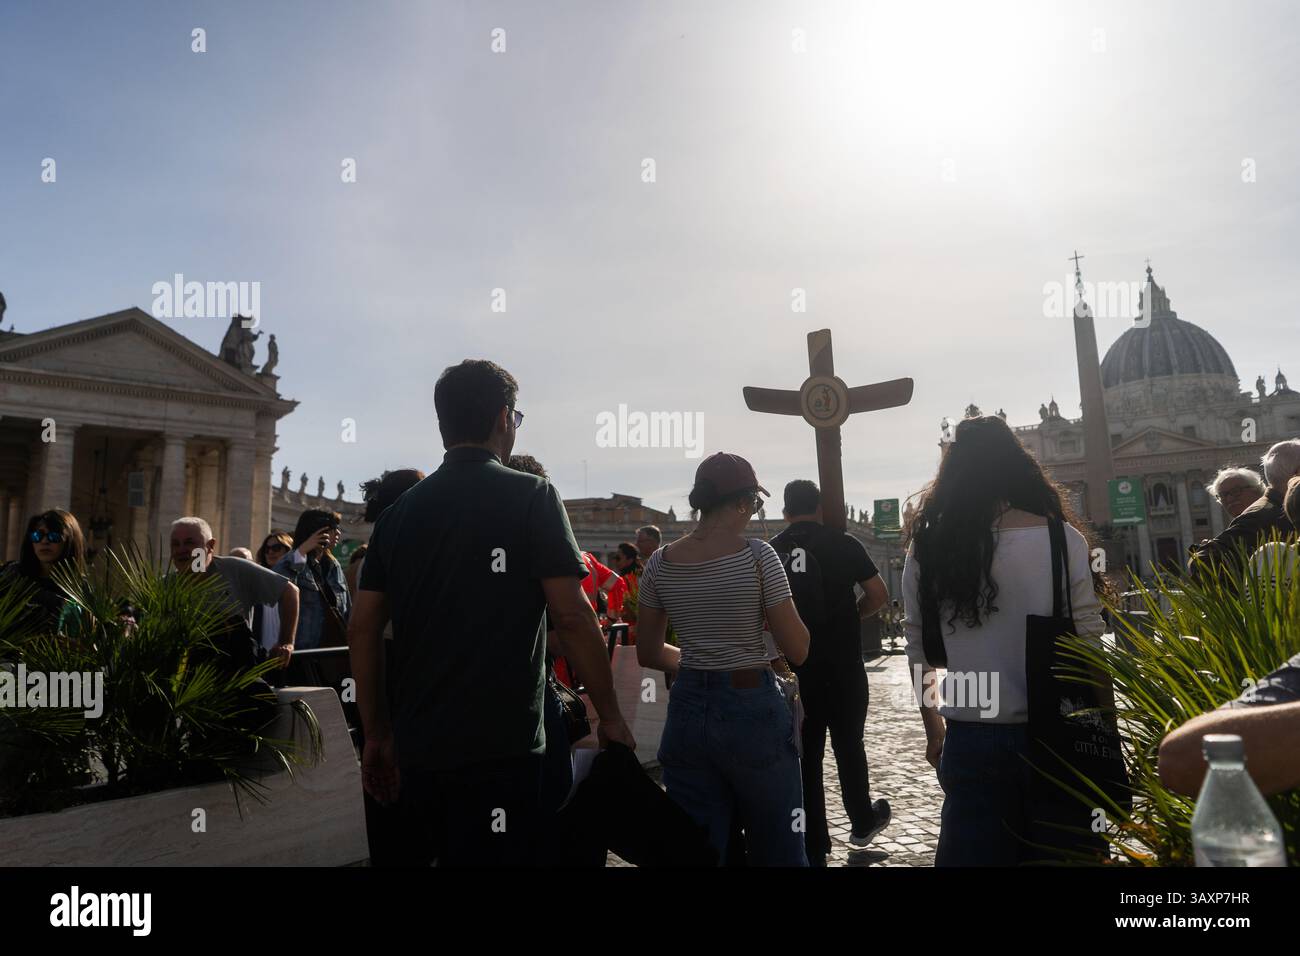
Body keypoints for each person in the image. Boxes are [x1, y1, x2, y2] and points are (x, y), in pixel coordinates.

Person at [348, 359, 634, 867]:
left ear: (443, 424)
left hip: (422, 746)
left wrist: (376, 733)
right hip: (508, 745)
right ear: (504, 418)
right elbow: (572, 617)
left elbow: (364, 627)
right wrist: (609, 715)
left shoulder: (397, 515)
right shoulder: (534, 494)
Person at [901, 416, 1108, 866]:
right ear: (1018, 463)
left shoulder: (930, 542)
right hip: (1053, 730)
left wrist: (932, 727)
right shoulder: (1061, 537)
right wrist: (1105, 723)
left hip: (973, 729)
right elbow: (1089, 641)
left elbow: (917, 645)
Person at [636, 451, 811, 866]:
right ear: (744, 501)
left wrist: (700, 662)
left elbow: (649, 652)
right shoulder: (758, 555)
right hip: (751, 705)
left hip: (687, 709)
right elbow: (799, 648)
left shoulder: (659, 563)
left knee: (696, 849)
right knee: (780, 847)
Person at [771, 479, 892, 865]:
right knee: (849, 744)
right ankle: (861, 821)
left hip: (796, 667)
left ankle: (814, 840)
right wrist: (851, 618)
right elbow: (878, 594)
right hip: (843, 664)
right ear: (820, 507)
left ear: (787, 511)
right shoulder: (845, 543)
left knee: (806, 755)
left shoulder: (772, 550)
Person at [169, 517, 298, 670]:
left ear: (210, 546)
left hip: (236, 674)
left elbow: (289, 591)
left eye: (189, 543)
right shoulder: (165, 585)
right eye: (175, 544)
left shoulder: (235, 569)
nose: (181, 550)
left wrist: (286, 642)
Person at [1190, 440, 1300, 576]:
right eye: (1223, 495)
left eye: (1236, 491)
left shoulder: (1281, 508)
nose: (1230, 499)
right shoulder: (1258, 517)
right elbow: (1203, 563)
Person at [272, 510, 351, 650]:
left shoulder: (334, 566)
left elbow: (347, 609)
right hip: (303, 651)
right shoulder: (293, 560)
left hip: (334, 649)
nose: (338, 533)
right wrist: (301, 551)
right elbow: (276, 586)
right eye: (333, 528)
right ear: (317, 531)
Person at [0, 509, 87, 633]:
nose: (44, 541)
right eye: (37, 536)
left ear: (69, 541)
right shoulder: (12, 575)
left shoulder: (79, 588)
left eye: (54, 536)